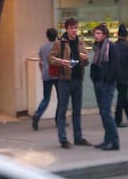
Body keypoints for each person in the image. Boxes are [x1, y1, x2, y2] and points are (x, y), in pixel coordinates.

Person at [48, 17, 90, 149]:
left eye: (76, 28)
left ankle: (78, 137)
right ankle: (63, 139)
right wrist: (62, 62)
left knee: (77, 110)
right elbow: (50, 58)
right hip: (64, 80)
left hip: (77, 79)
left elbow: (86, 60)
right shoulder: (60, 43)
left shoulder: (80, 42)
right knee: (62, 109)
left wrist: (85, 58)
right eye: (71, 28)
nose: (74, 31)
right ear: (66, 29)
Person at [89, 24, 119, 151]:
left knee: (106, 112)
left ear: (105, 35)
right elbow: (95, 65)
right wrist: (94, 77)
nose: (96, 36)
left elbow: (114, 66)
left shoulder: (111, 47)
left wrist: (107, 78)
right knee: (103, 112)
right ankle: (107, 140)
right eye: (95, 33)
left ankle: (114, 141)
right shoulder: (98, 47)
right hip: (99, 83)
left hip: (107, 83)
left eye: (99, 33)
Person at [32, 28, 59, 131]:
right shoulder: (58, 47)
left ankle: (37, 114)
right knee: (61, 98)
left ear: (47, 36)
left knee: (46, 98)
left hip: (46, 74)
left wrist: (42, 72)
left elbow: (40, 62)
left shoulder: (43, 47)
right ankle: (59, 119)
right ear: (56, 36)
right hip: (57, 75)